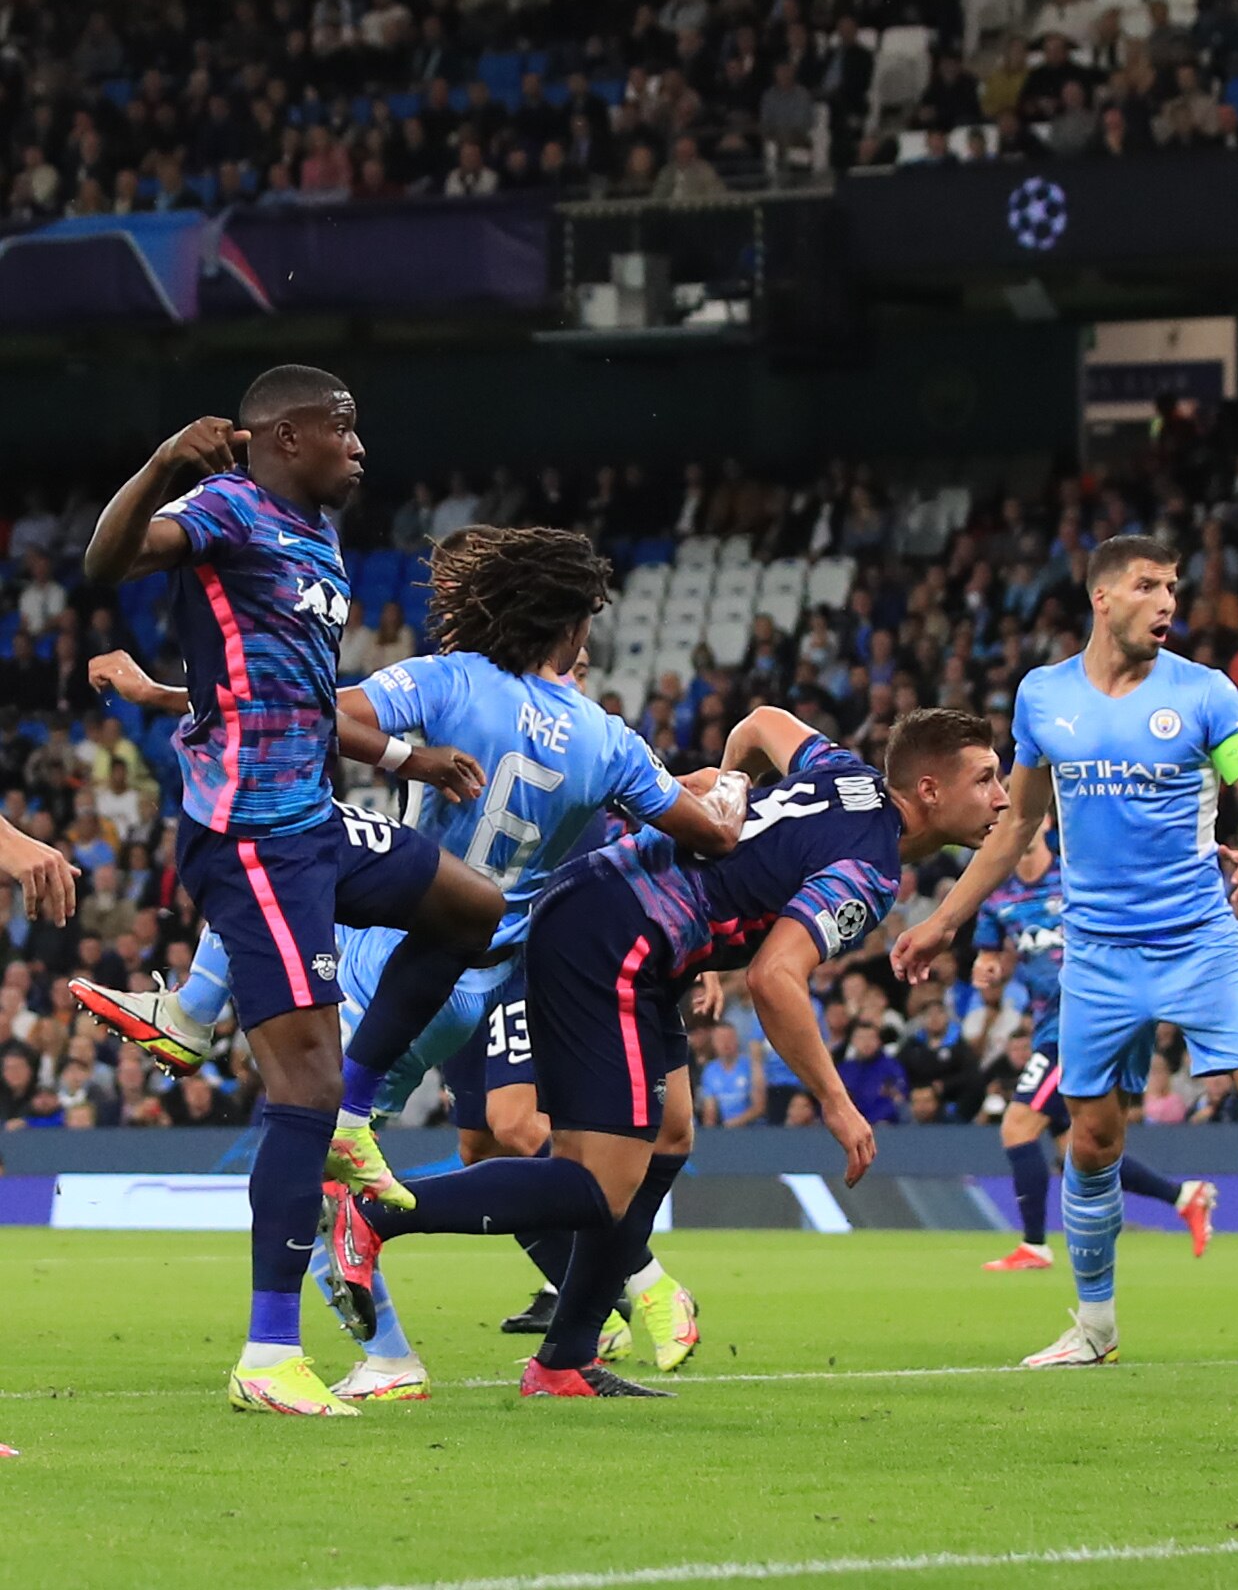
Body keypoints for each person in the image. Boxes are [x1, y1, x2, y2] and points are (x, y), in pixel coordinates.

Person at [79, 527, 750, 1398]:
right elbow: (710, 836)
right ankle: (197, 1020)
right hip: (467, 987)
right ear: (573, 631)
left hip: (395, 951)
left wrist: (158, 692)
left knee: (276, 851)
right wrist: (731, 789)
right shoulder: (608, 740)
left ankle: (388, 1355)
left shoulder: (450, 680)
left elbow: (301, 711)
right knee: (291, 880)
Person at [889, 535, 1238, 1372]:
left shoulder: (1202, 695)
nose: (1167, 603)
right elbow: (1017, 825)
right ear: (1102, 597)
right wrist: (945, 920)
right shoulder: (1044, 697)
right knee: (1092, 1143)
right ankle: (1095, 1328)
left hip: (1200, 945)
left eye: (1173, 589)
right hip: (1097, 956)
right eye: (1149, 586)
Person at [324, 705, 1004, 1399]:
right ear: (928, 790)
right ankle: (377, 1215)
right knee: (596, 1185)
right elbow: (774, 978)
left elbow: (763, 722)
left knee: (671, 1137)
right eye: (985, 779)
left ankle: (566, 1359)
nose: (1002, 798)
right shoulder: (870, 867)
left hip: (631, 923)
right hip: (616, 938)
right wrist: (836, 1101)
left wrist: (731, 793)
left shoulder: (842, 773)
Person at [77, 369, 506, 1416]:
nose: (360, 447)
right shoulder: (224, 508)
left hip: (315, 819)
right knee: (300, 1089)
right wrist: (162, 466)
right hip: (255, 838)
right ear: (284, 436)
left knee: (473, 907)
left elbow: (297, 696)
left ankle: (346, 1100)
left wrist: (403, 757)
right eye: (342, 429)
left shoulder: (318, 536)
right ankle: (269, 1351)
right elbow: (107, 561)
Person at [970, 819, 1218, 1274]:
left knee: (1017, 1127)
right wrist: (987, 969)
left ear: (1044, 820)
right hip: (1048, 1025)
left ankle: (1034, 1246)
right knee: (1082, 1149)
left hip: (1084, 1024)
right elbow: (989, 958)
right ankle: (1184, 1196)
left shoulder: (1076, 874)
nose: (1010, 821)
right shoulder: (997, 894)